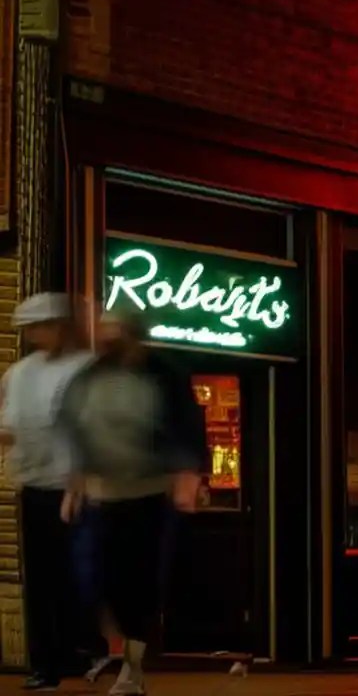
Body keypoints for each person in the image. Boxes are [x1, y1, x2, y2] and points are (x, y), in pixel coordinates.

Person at [59, 308, 206, 696]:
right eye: (104, 329)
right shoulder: (89, 376)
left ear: (134, 336)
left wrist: (188, 476)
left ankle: (132, 668)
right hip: (101, 492)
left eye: (116, 330)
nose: (107, 336)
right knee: (91, 578)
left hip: (148, 493)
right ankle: (113, 647)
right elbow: (75, 427)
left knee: (138, 583)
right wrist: (74, 485)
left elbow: (187, 425)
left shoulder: (165, 374)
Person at [0, 293, 105, 690]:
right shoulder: (19, 373)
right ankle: (47, 663)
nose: (35, 334)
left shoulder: (86, 369)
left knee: (79, 574)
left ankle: (84, 649)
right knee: (42, 579)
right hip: (35, 485)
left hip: (77, 488)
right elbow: (9, 425)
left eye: (41, 326)